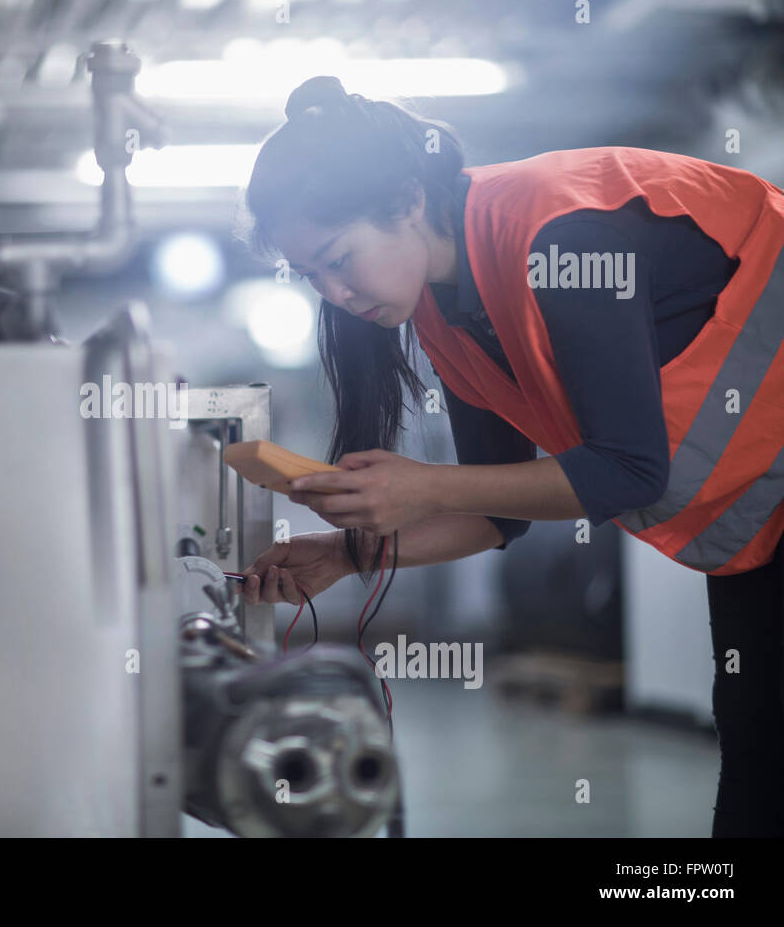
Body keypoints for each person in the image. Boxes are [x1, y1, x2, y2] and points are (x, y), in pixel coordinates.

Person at [233, 74, 784, 837]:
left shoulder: (559, 238)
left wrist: (424, 486)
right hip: (765, 506)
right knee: (756, 732)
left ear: (405, 203)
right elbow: (498, 515)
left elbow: (629, 470)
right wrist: (349, 555)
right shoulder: (448, 317)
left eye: (339, 258)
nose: (336, 294)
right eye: (312, 276)